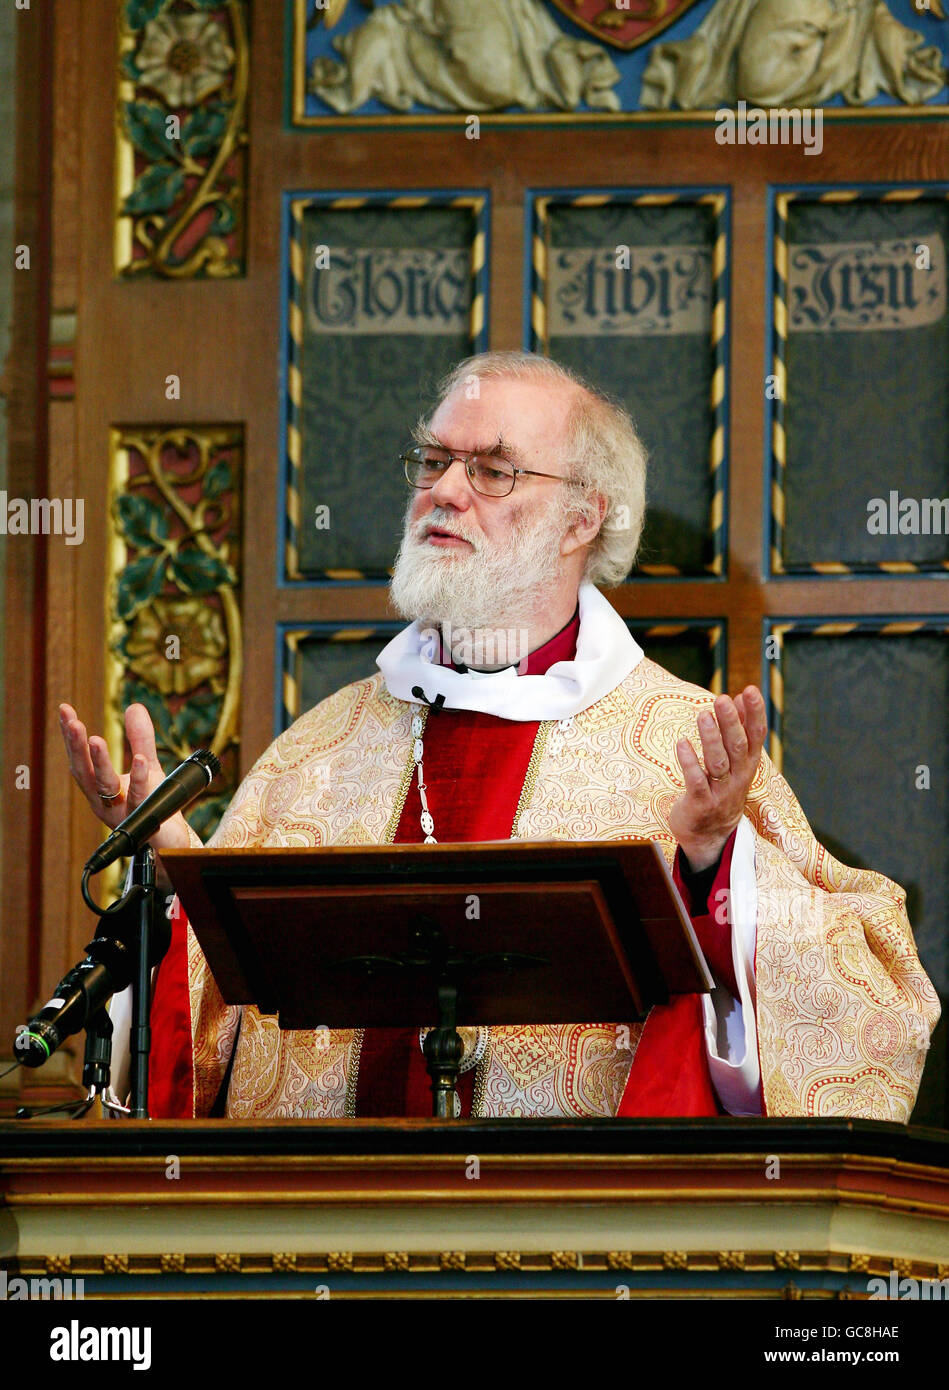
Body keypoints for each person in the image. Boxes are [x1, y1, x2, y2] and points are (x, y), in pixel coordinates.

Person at [60, 352, 939, 1120]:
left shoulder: (680, 741)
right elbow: (209, 1045)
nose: (442, 490)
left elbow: (857, 1010)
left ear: (582, 519)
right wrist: (176, 887)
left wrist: (715, 868)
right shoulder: (315, 755)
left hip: (572, 1255)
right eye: (434, 460)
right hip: (316, 1234)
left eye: (492, 471)